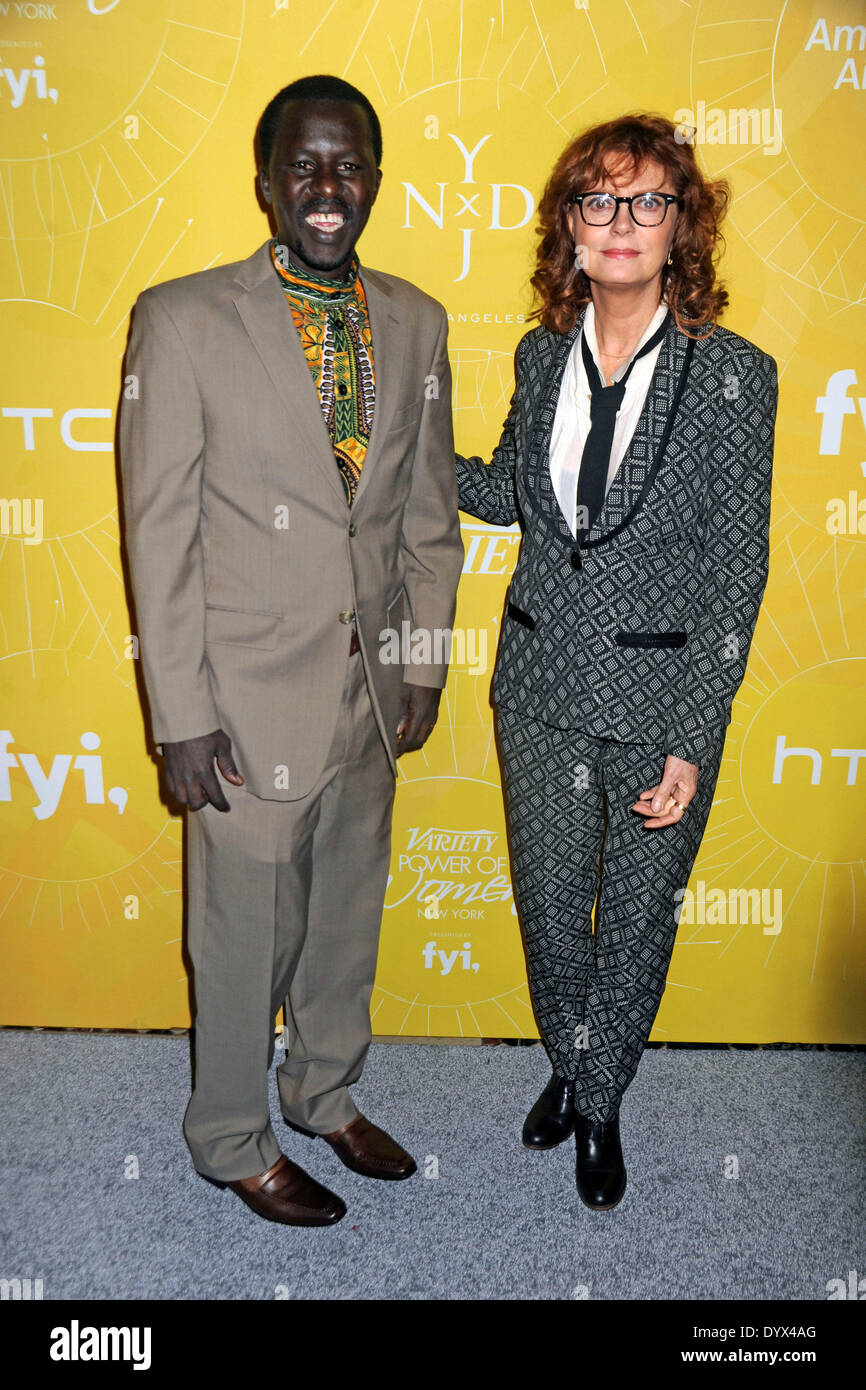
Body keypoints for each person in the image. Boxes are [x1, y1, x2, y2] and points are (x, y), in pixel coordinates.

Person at [119, 75, 463, 1226]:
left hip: (366, 695)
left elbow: (423, 511)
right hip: (237, 704)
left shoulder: (415, 319)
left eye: (349, 164)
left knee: (344, 911)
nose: (328, 188)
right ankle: (227, 1135)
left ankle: (321, 1091)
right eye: (304, 166)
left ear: (373, 176)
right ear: (264, 182)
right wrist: (179, 715)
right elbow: (157, 531)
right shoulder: (179, 319)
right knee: (239, 935)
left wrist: (416, 663)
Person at [455, 114, 777, 1210]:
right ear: (570, 229)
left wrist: (695, 738)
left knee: (635, 915)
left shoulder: (732, 375)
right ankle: (570, 1060)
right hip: (538, 689)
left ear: (680, 226)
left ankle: (598, 1103)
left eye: (647, 201)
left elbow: (734, 575)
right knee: (549, 909)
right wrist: (408, 455)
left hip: (657, 700)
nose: (623, 222)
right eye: (599, 200)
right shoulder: (538, 355)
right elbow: (510, 495)